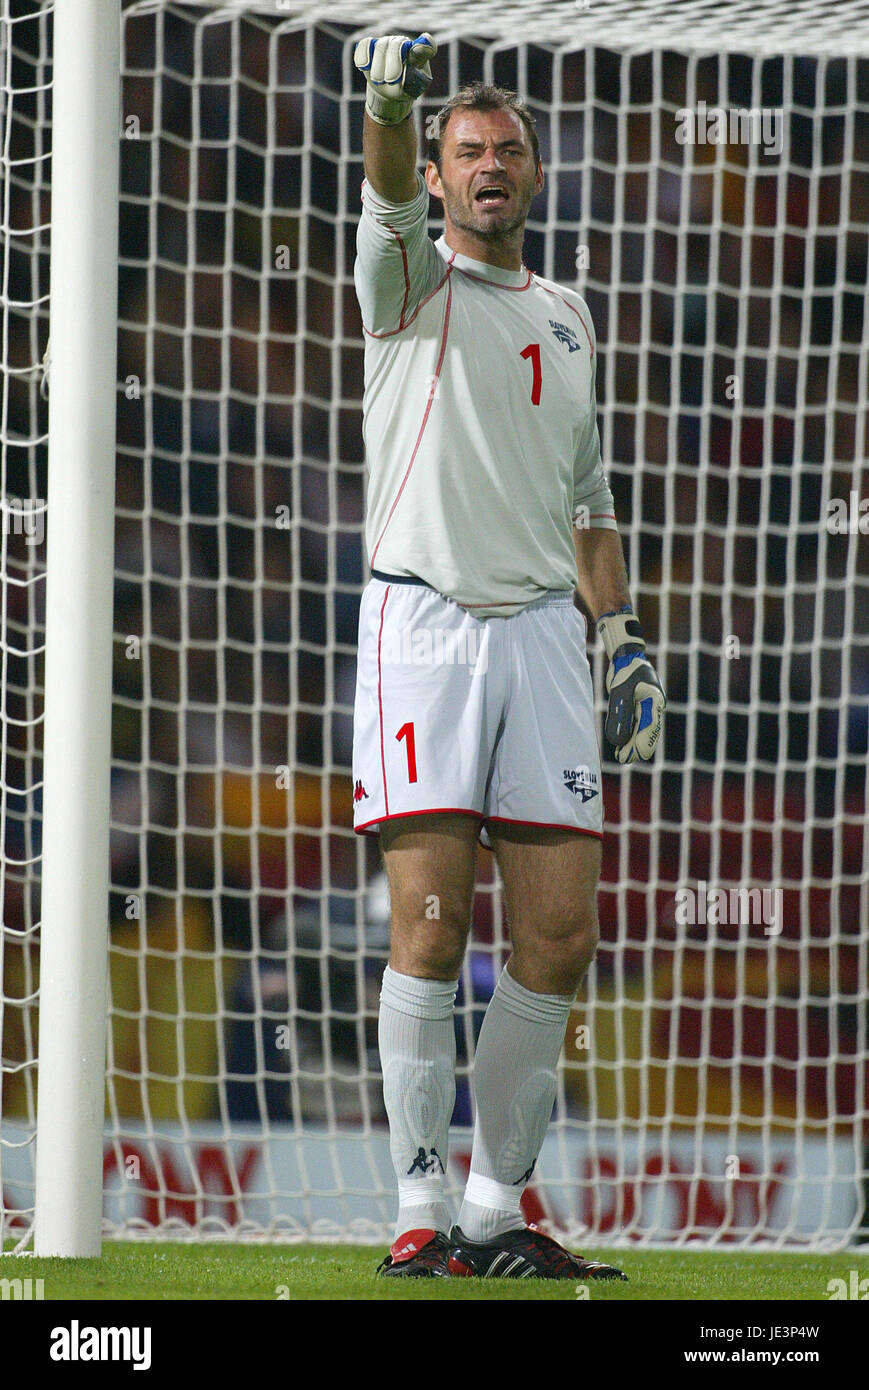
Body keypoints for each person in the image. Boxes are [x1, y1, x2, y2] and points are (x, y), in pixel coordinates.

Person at [350, 32, 665, 1279]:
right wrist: (389, 102)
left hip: (543, 634)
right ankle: (417, 1210)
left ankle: (496, 1207)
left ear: (535, 173)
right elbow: (377, 185)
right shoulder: (405, 283)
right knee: (429, 928)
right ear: (435, 180)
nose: (489, 167)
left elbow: (589, 501)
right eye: (465, 153)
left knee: (558, 935)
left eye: (508, 151)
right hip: (425, 626)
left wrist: (621, 633)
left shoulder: (569, 316)